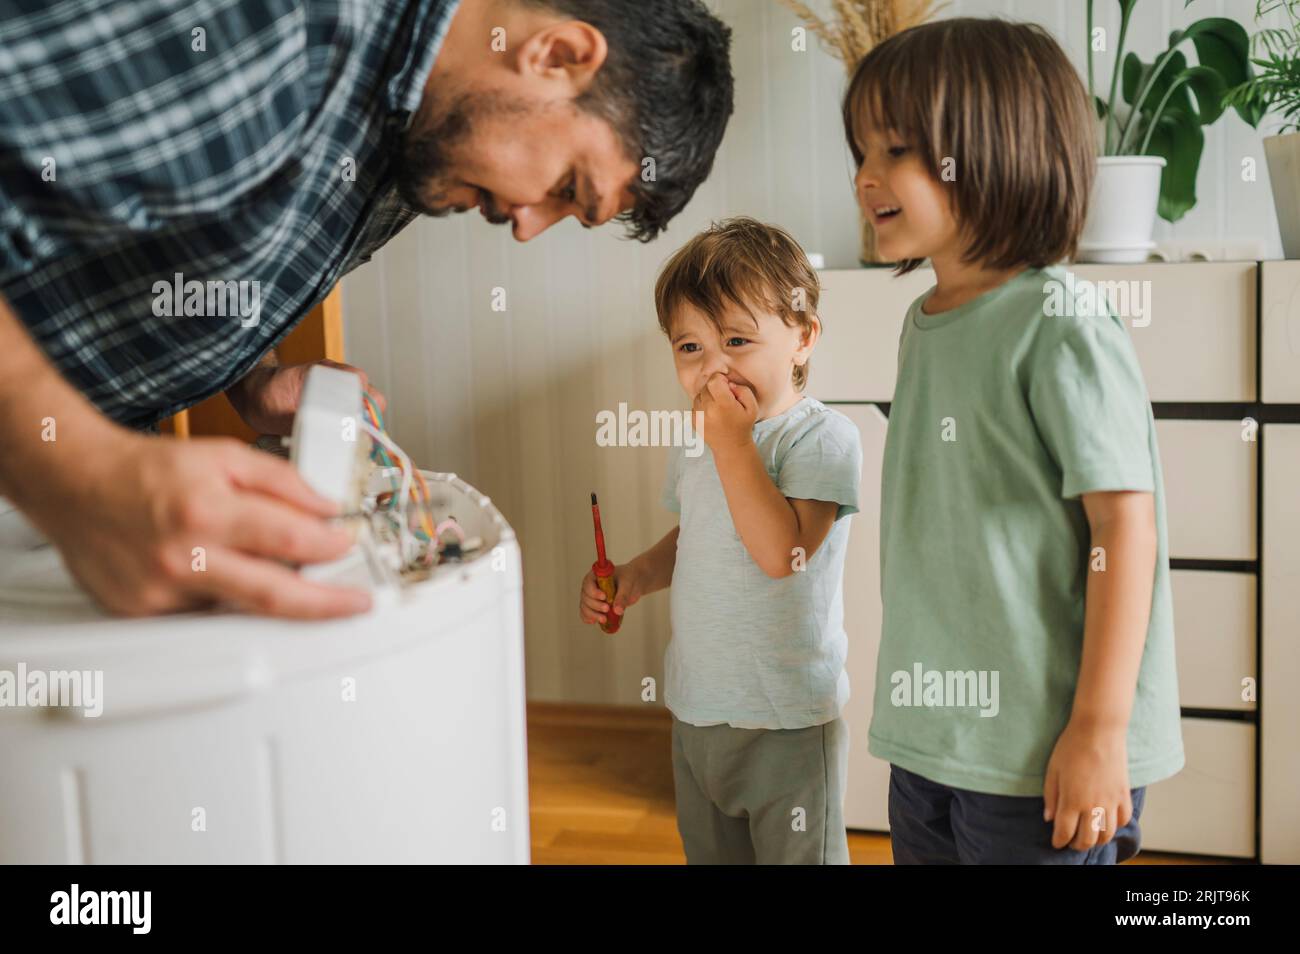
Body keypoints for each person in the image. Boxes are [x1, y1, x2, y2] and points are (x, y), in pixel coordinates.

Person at [0, 0, 734, 618]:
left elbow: (197, 220)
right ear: (556, 54)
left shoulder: (419, 148)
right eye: (569, 187)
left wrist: (253, 374)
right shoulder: (271, 26)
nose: (526, 224)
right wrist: (82, 477)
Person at [842, 18, 1183, 863]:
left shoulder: (1059, 322)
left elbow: (1122, 529)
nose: (865, 177)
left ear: (993, 152)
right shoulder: (926, 323)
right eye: (861, 152)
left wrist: (1099, 730)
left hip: (1039, 751)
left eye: (895, 151)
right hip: (935, 737)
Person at [578, 218, 863, 863]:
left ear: (803, 337)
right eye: (690, 348)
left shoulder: (819, 440)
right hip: (698, 710)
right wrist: (635, 577)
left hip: (786, 723)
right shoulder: (701, 441)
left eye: (737, 340)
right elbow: (695, 536)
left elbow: (780, 554)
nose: (714, 369)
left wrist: (733, 444)